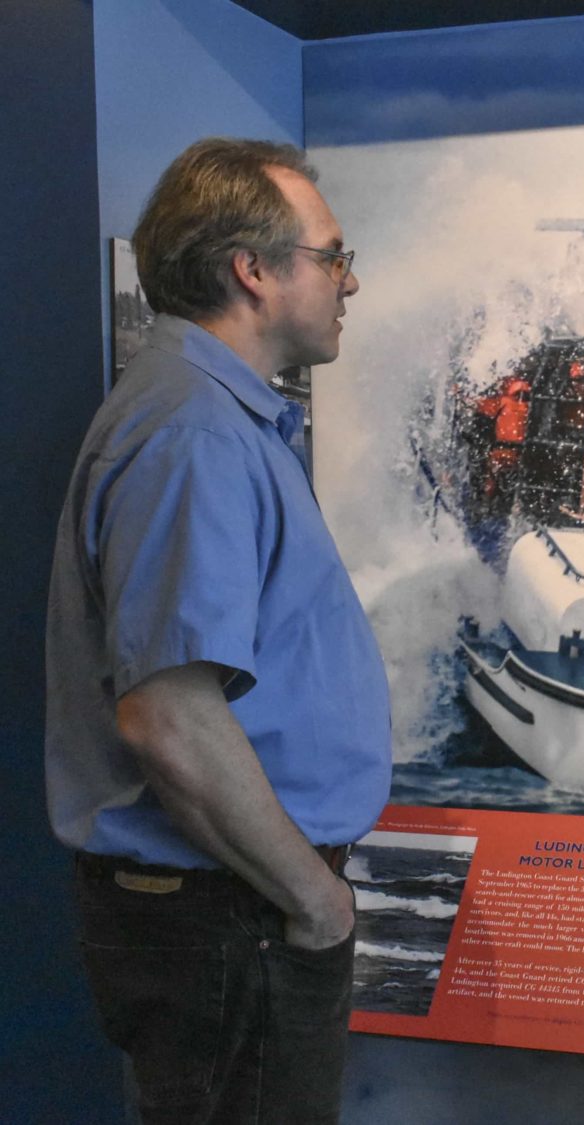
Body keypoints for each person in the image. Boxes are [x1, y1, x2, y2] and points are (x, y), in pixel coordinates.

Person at [45, 138, 391, 1123]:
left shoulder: (213, 421)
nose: (348, 281)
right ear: (254, 271)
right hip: (233, 912)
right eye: (330, 257)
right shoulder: (193, 436)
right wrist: (313, 901)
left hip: (234, 908)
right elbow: (168, 719)